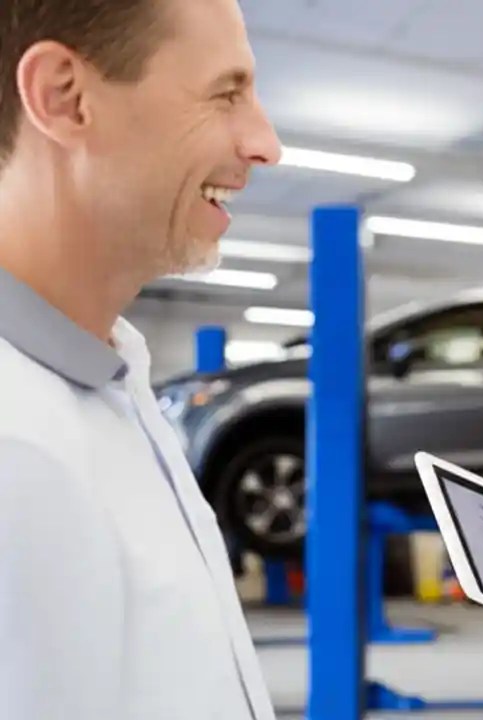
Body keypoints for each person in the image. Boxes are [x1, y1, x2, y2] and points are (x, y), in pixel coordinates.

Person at [0, 0, 281, 717]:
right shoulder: (14, 441)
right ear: (65, 97)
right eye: (226, 93)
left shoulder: (105, 378)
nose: (265, 143)